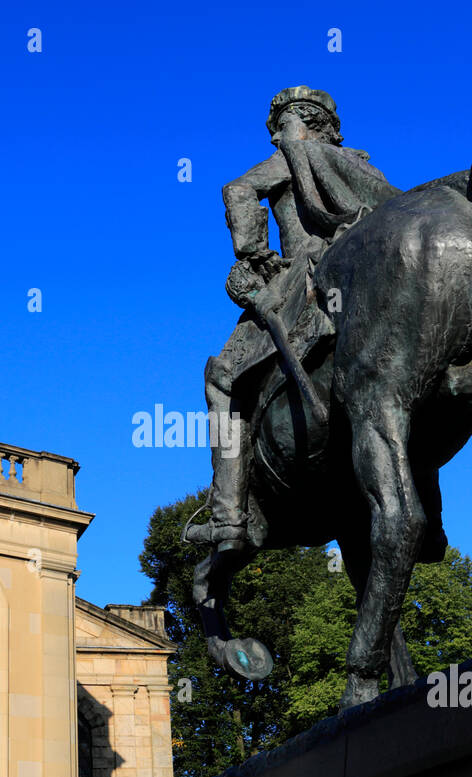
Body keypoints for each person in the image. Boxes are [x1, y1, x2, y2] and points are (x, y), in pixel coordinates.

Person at [185, 86, 401, 547]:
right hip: (364, 271)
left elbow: (238, 189)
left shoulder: (293, 156)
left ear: (295, 123)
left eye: (279, 127)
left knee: (221, 377)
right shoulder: (363, 168)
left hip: (302, 275)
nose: (276, 139)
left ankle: (228, 516)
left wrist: (253, 251)